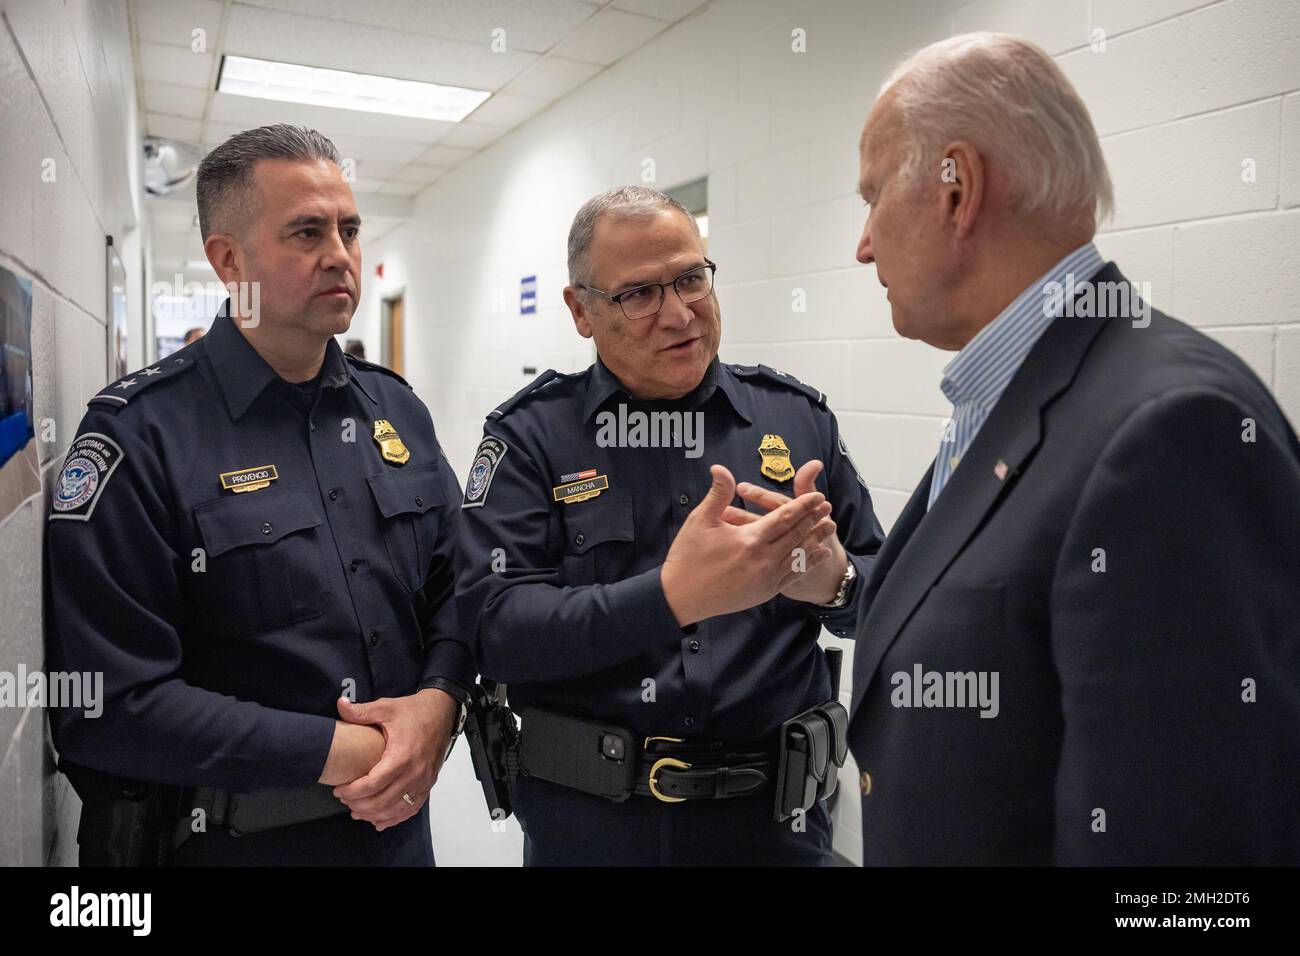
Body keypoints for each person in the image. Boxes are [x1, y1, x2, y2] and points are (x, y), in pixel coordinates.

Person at [833, 32, 1299, 864]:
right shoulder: (1023, 395)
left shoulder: (1166, 435)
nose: (863, 242)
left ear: (957, 190)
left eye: (872, 198)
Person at [45, 124, 473, 866]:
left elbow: (461, 586)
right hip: (232, 844)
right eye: (307, 232)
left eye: (348, 229)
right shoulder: (140, 439)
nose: (340, 255)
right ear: (228, 259)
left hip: (399, 840)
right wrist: (338, 750)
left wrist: (439, 701)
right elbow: (106, 706)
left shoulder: (394, 412)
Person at [455, 186, 885, 866]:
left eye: (691, 279)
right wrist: (669, 598)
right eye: (639, 294)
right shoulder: (532, 439)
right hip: (595, 832)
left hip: (776, 828)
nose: (679, 313)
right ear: (581, 311)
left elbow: (886, 601)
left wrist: (838, 583)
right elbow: (494, 631)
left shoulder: (795, 420)